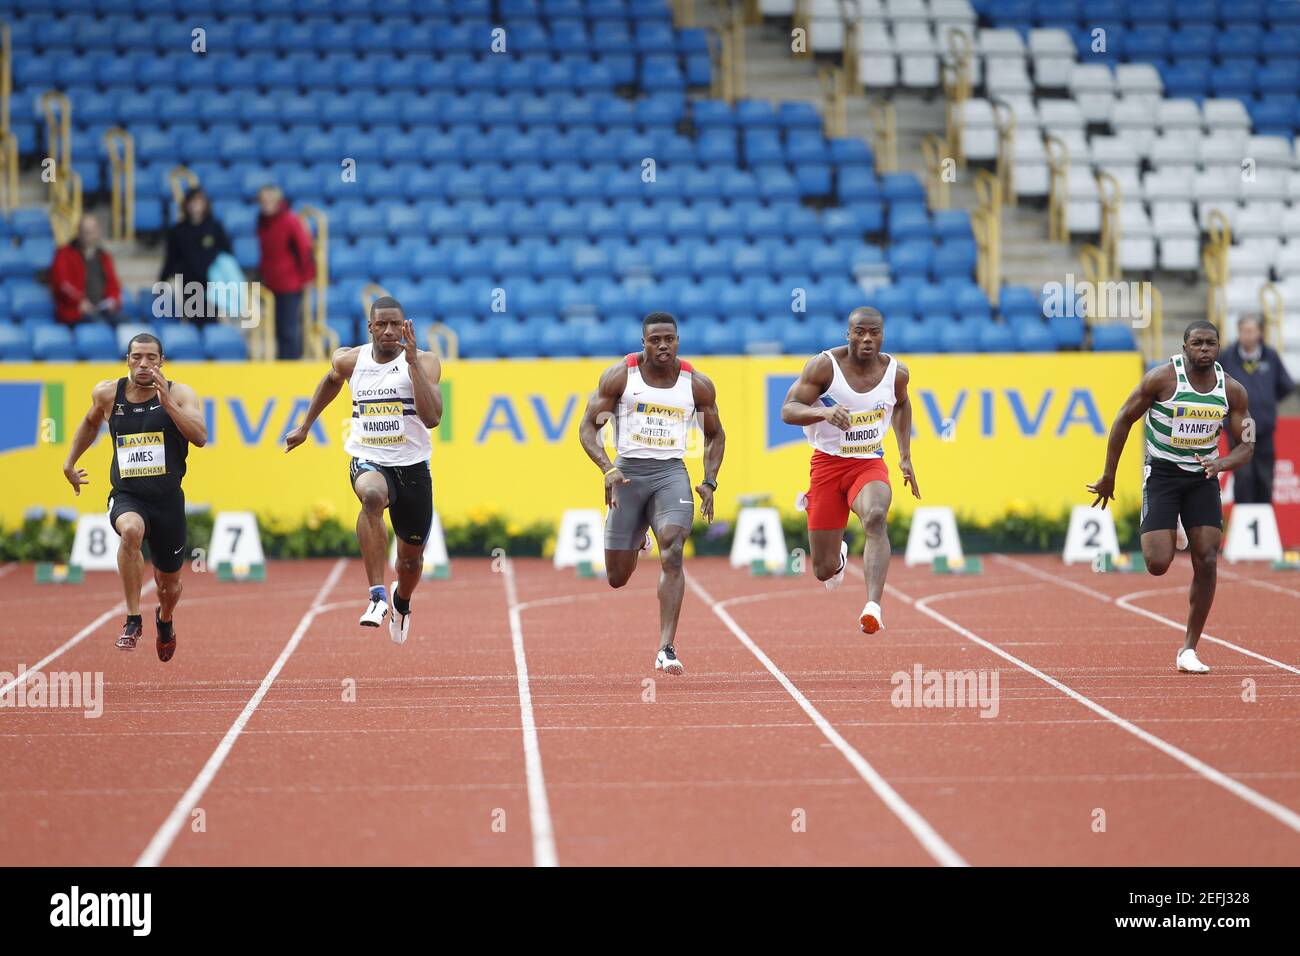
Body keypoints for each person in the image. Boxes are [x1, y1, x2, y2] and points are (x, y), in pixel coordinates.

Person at [1088, 319, 1254, 674]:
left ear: (1218, 347)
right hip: (1162, 474)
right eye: (1197, 343)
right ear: (1184, 348)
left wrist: (1221, 462)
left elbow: (1248, 444)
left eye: (1211, 343)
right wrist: (1108, 476)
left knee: (1207, 558)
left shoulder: (1232, 390)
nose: (1205, 349)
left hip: (1202, 476)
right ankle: (1173, 523)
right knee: (1157, 563)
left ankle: (1189, 649)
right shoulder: (1161, 379)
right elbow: (1122, 419)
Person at [285, 297, 441, 644]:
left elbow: (432, 418)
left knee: (410, 562)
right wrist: (305, 425)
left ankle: (401, 601)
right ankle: (377, 596)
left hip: (412, 467)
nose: (388, 331)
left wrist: (412, 362)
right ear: (369, 327)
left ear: (405, 328)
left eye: (395, 325)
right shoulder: (349, 359)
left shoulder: (426, 362)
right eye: (381, 324)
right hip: (368, 457)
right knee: (371, 497)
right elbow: (331, 379)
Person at [577, 312, 725, 675]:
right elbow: (587, 429)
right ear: (643, 342)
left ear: (678, 341)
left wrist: (709, 480)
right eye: (655, 340)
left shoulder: (696, 385)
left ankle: (666, 647)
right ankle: (638, 535)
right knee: (617, 577)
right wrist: (608, 469)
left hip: (670, 473)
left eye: (669, 339)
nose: (663, 345)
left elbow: (715, 434)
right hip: (628, 473)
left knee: (673, 549)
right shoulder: (620, 378)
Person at [61, 332, 208, 661]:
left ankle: (164, 619)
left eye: (151, 358)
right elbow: (89, 423)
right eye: (137, 357)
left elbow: (199, 437)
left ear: (162, 362)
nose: (144, 363)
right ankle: (132, 619)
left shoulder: (180, 393)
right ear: (127, 360)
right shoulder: (106, 393)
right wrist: (70, 462)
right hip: (128, 495)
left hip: (168, 501)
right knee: (130, 531)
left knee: (169, 586)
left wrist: (167, 403)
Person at [780, 307, 920, 634]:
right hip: (828, 464)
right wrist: (823, 415)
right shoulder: (824, 366)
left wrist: (904, 455)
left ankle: (873, 606)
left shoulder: (896, 372)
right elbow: (788, 410)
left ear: (883, 335)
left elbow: (901, 403)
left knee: (875, 516)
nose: (867, 339)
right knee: (823, 570)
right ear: (848, 334)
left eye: (874, 332)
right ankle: (839, 558)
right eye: (860, 332)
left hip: (868, 461)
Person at [1217, 314, 1296, 504]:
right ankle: (1244, 520)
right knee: (1243, 477)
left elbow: (1286, 385)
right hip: (1239, 430)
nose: (1246, 335)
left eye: (1250, 331)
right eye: (1243, 331)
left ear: (1260, 332)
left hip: (1263, 429)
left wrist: (1267, 402)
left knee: (1265, 476)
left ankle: (1264, 519)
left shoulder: (1270, 355)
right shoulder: (1227, 357)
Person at [255, 184, 316, 360]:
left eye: (269, 200)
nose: (266, 204)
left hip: (290, 283)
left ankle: (290, 366)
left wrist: (307, 277)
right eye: (263, 201)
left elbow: (305, 249)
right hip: (271, 283)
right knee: (276, 330)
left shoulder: (290, 220)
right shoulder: (262, 221)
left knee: (289, 330)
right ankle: (281, 365)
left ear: (277, 201)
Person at [158, 187, 233, 325]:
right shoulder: (178, 231)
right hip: (189, 284)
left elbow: (227, 255)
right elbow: (171, 259)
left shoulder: (215, 228)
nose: (196, 206)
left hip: (211, 285)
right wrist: (162, 280)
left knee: (212, 323)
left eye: (200, 202)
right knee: (193, 322)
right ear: (186, 205)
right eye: (193, 202)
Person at [50, 214, 123, 325]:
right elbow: (62, 285)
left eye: (92, 231)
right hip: (76, 311)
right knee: (99, 325)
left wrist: (113, 300)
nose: (89, 235)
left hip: (103, 309)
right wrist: (79, 301)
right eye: (85, 232)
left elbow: (113, 284)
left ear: (98, 232)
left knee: (126, 324)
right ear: (79, 232)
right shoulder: (64, 254)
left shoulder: (104, 257)